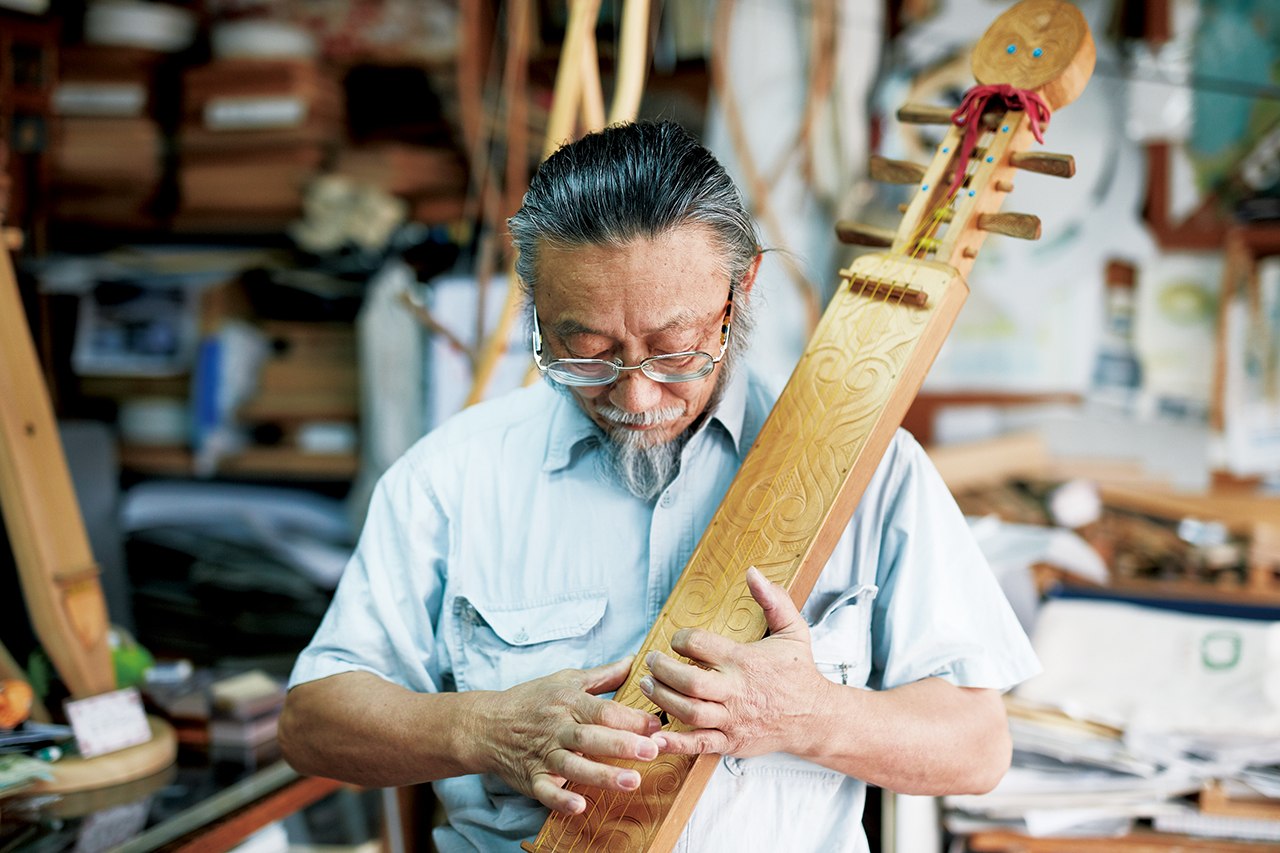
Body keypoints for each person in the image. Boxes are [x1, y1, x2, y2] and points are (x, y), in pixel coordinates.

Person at [279, 121, 1040, 853]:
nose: (636, 397)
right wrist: (480, 727)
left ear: (742, 289)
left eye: (675, 351)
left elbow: (977, 748)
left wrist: (811, 715)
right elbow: (310, 722)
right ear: (534, 304)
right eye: (587, 351)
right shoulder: (450, 476)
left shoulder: (872, 468)